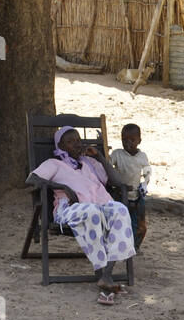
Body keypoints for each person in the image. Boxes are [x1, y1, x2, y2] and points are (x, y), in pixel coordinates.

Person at [25, 127, 136, 304]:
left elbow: (117, 181)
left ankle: (106, 276)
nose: (77, 144)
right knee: (92, 212)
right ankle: (102, 276)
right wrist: (61, 187)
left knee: (120, 209)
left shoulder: (90, 163)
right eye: (71, 142)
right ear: (61, 146)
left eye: (78, 140)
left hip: (101, 206)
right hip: (72, 210)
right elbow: (31, 179)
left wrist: (100, 157)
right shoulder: (54, 164)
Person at [109, 123, 151, 250]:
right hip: (120, 194)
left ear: (139, 141)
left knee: (140, 225)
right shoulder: (117, 154)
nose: (128, 143)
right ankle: (120, 245)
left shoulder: (142, 156)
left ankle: (135, 246)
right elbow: (108, 166)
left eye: (132, 140)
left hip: (137, 195)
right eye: (124, 139)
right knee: (120, 222)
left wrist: (145, 183)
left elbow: (147, 172)